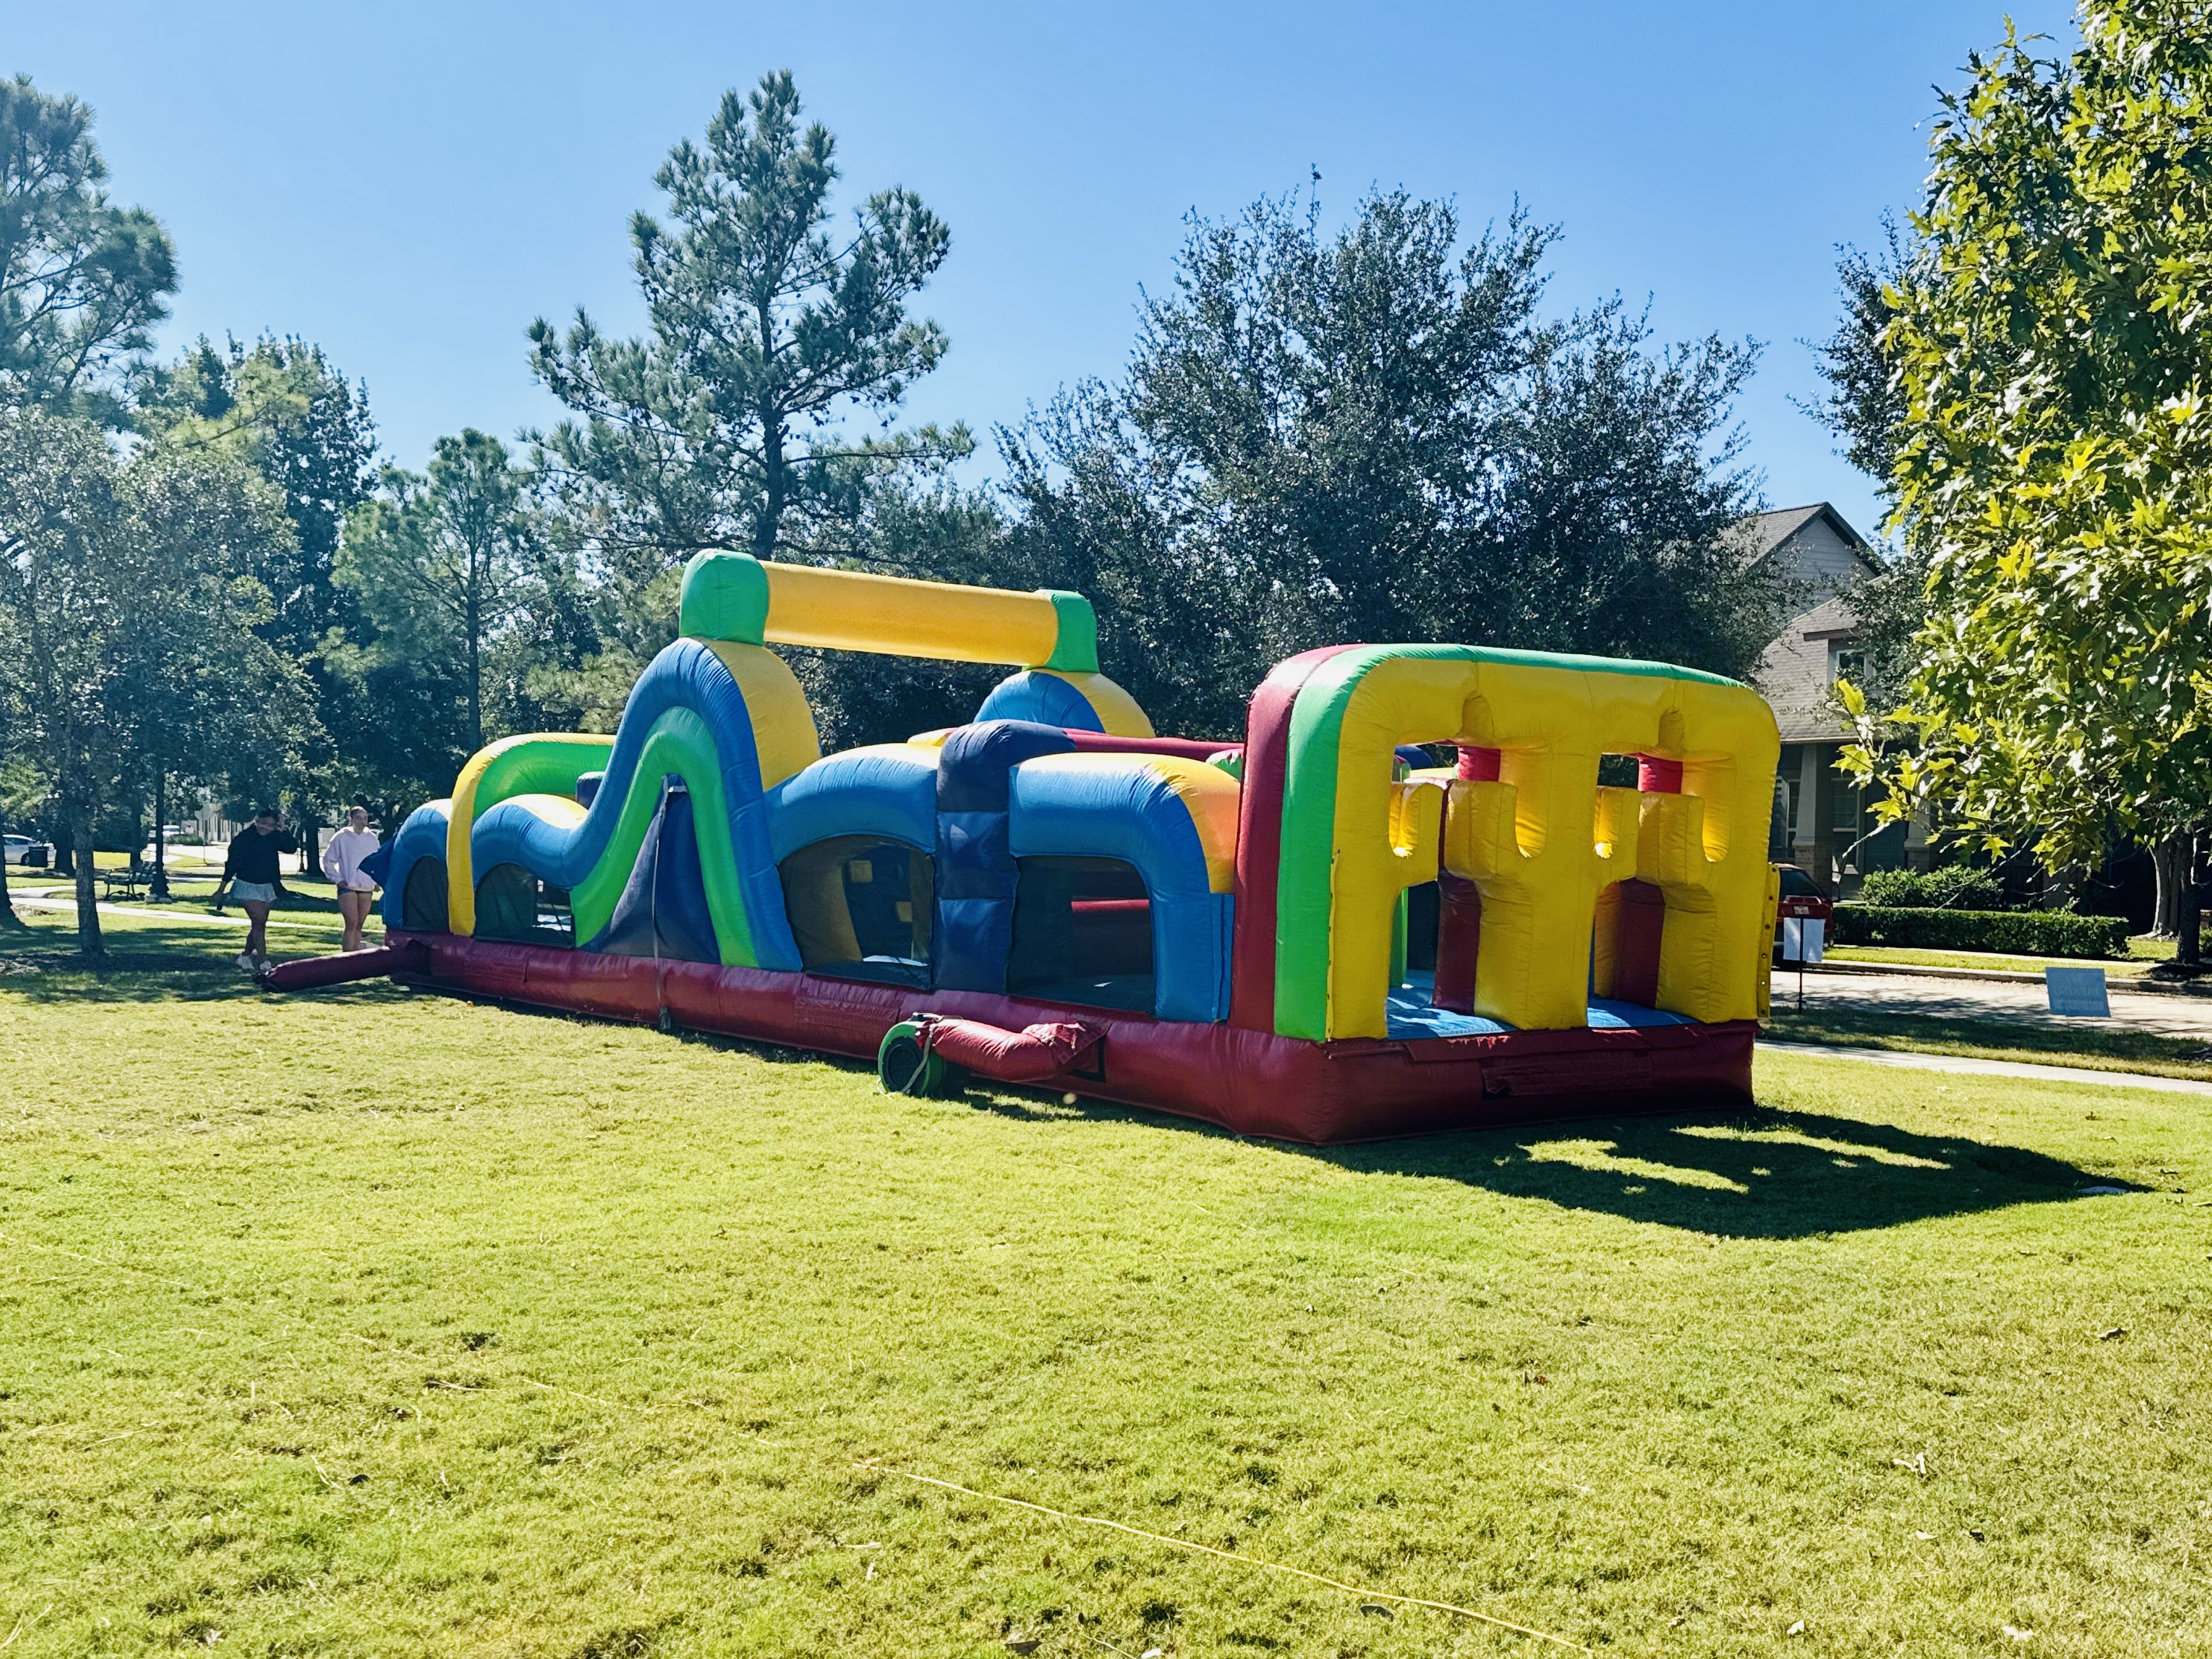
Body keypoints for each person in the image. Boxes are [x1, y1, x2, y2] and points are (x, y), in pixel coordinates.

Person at [222, 809, 296, 974]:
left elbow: (291, 848)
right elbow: (232, 864)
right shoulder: (243, 838)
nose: (266, 828)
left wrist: (283, 828)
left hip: (267, 886)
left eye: (271, 825)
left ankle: (245, 956)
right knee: (259, 921)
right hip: (246, 884)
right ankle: (264, 961)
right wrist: (222, 888)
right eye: (263, 823)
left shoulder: (274, 836)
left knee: (258, 924)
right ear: (257, 820)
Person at [323, 806, 383, 951]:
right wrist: (337, 879)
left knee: (359, 924)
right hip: (348, 885)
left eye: (365, 818)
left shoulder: (372, 839)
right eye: (359, 818)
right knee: (351, 922)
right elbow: (329, 860)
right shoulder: (341, 837)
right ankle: (347, 956)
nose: (363, 821)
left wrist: (376, 881)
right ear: (351, 819)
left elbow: (376, 861)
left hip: (366, 886)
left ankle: (355, 955)